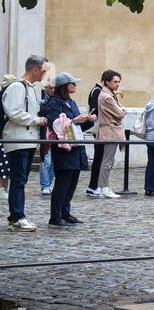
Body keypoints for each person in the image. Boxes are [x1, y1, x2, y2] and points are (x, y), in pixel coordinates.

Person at [40, 72, 94, 227]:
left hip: (75, 146)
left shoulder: (71, 102)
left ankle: (65, 212)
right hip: (63, 148)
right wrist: (74, 120)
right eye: (73, 83)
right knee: (62, 183)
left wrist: (88, 120)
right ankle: (55, 217)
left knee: (72, 183)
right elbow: (54, 124)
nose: (75, 86)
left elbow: (79, 126)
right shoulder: (54, 103)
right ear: (65, 85)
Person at [3, 55, 49, 232]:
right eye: (43, 71)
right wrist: (36, 120)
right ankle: (17, 217)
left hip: (28, 139)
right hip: (18, 139)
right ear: (35, 70)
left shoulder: (29, 88)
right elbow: (14, 112)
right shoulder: (17, 86)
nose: (44, 74)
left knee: (21, 179)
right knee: (18, 180)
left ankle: (18, 216)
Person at [87, 70, 124, 198]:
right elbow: (120, 113)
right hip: (109, 132)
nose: (117, 84)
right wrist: (122, 111)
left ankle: (101, 186)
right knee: (106, 161)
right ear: (107, 82)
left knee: (105, 160)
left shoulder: (108, 94)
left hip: (109, 131)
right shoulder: (106, 96)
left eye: (119, 81)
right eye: (115, 81)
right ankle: (103, 187)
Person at [39, 76, 55, 195]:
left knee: (53, 161)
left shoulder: (58, 100)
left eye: (54, 88)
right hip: (46, 134)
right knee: (46, 161)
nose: (53, 90)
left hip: (56, 134)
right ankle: (45, 185)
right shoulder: (42, 101)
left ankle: (50, 183)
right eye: (50, 88)